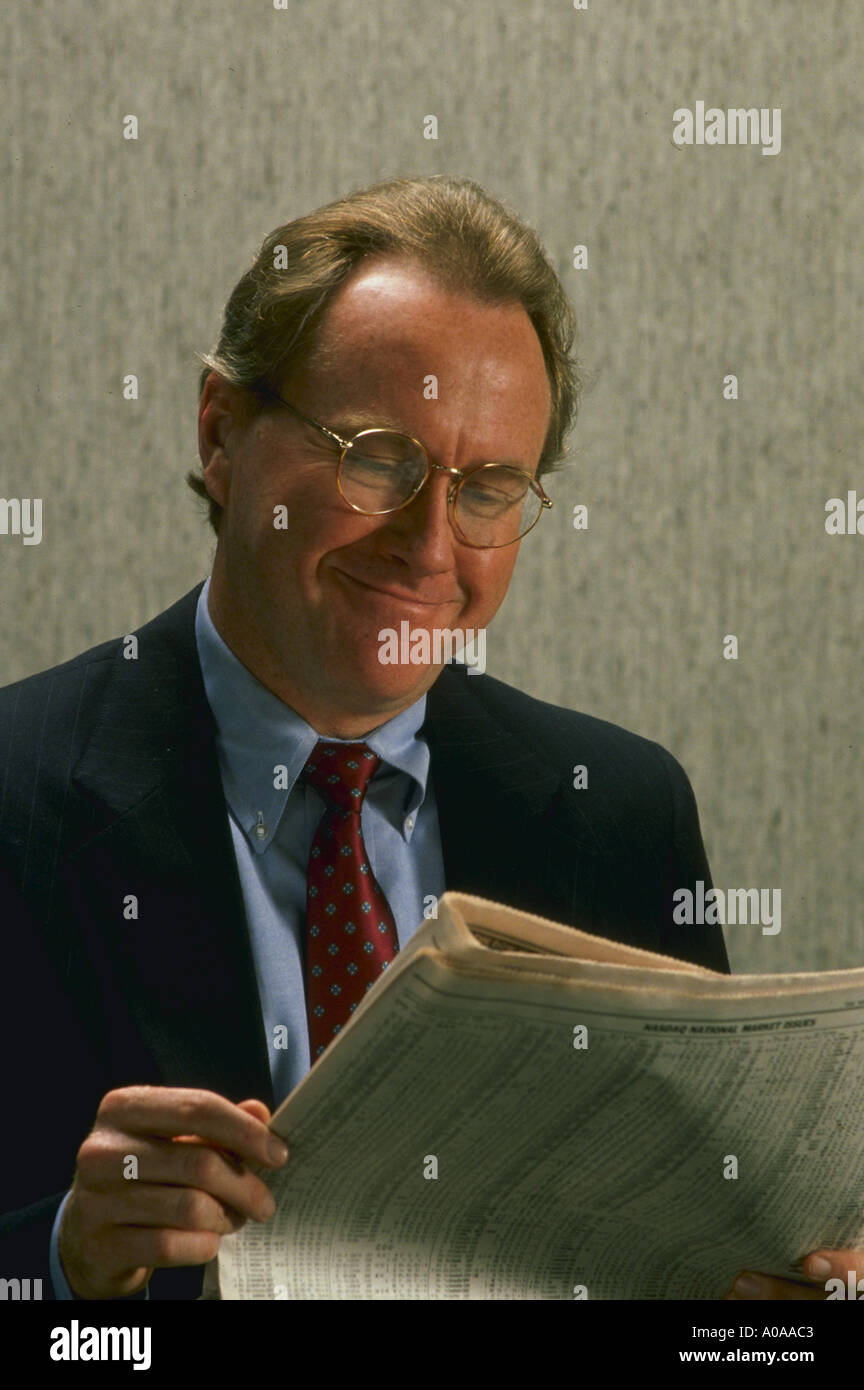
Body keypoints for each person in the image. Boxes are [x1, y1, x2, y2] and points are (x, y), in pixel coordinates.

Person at [0, 176, 851, 1303]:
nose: (429, 543)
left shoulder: (623, 812)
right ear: (221, 433)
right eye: (378, 457)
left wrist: (784, 1313)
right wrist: (64, 1261)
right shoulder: (17, 794)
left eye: (490, 486)